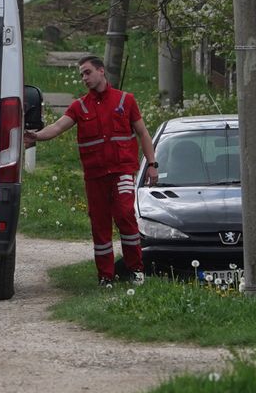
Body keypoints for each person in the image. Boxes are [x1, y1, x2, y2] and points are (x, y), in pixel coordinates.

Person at [25, 56, 159, 285]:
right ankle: (106, 276)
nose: (84, 78)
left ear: (101, 71)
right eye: (81, 75)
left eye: (87, 72)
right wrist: (36, 136)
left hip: (122, 172)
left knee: (125, 215)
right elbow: (57, 127)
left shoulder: (125, 100)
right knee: (100, 225)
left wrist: (152, 165)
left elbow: (143, 133)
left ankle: (136, 270)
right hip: (95, 177)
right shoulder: (80, 106)